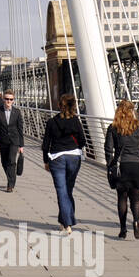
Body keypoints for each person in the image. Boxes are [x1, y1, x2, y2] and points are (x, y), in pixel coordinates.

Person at [104, 99, 139, 239]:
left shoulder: (113, 128)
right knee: (136, 199)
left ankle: (123, 229)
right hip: (137, 165)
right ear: (132, 111)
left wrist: (110, 164)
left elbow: (108, 148)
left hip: (121, 166)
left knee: (122, 198)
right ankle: (136, 223)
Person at [42, 94, 87, 234]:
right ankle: (67, 220)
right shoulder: (75, 121)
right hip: (74, 157)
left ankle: (66, 223)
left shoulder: (52, 122)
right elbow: (83, 141)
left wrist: (46, 160)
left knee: (61, 191)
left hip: (57, 158)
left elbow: (45, 145)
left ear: (59, 106)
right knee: (68, 190)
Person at [0, 91, 24, 192]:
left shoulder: (17, 112)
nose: (8, 101)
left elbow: (20, 129)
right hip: (3, 141)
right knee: (4, 162)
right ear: (3, 99)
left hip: (14, 141)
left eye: (11, 99)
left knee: (11, 160)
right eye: (7, 99)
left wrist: (21, 145)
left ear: (13, 100)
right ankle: (12, 177)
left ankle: (10, 184)